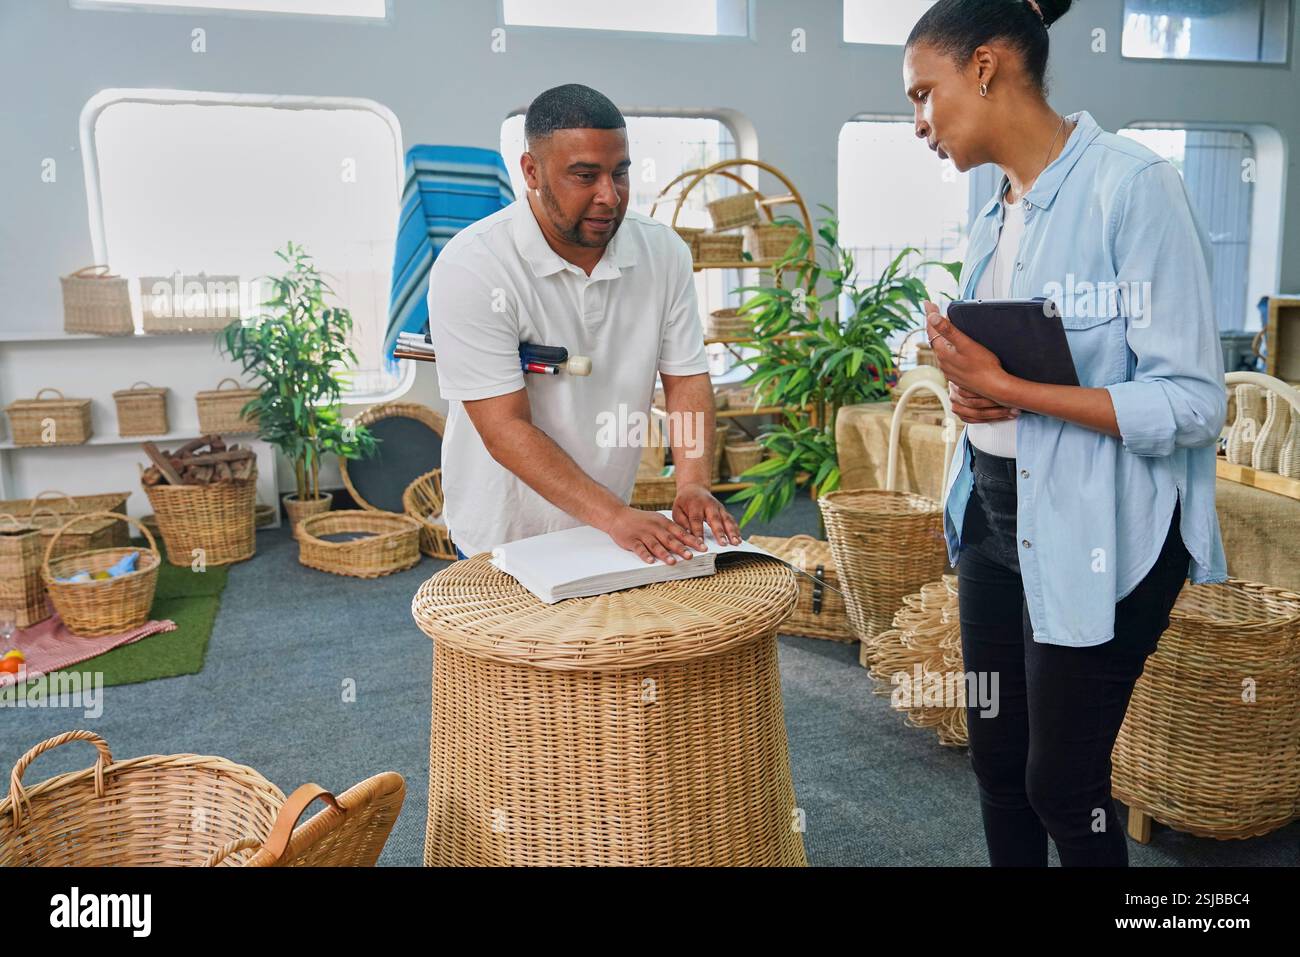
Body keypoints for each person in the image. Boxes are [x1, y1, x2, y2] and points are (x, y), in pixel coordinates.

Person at [903, 0, 1228, 866]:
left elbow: (1193, 402)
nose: (919, 123)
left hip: (1107, 531)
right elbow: (1012, 387)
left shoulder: (1134, 185)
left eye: (923, 94)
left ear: (983, 67)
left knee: (1062, 782)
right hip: (994, 519)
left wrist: (1015, 388)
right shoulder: (993, 214)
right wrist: (979, 395)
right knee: (998, 760)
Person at [427, 83, 740, 562]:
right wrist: (615, 516)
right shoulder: (473, 266)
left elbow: (686, 378)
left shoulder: (664, 253)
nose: (609, 196)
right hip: (504, 531)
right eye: (584, 175)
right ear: (531, 171)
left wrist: (693, 482)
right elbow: (505, 428)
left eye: (620, 173)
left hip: (606, 523)